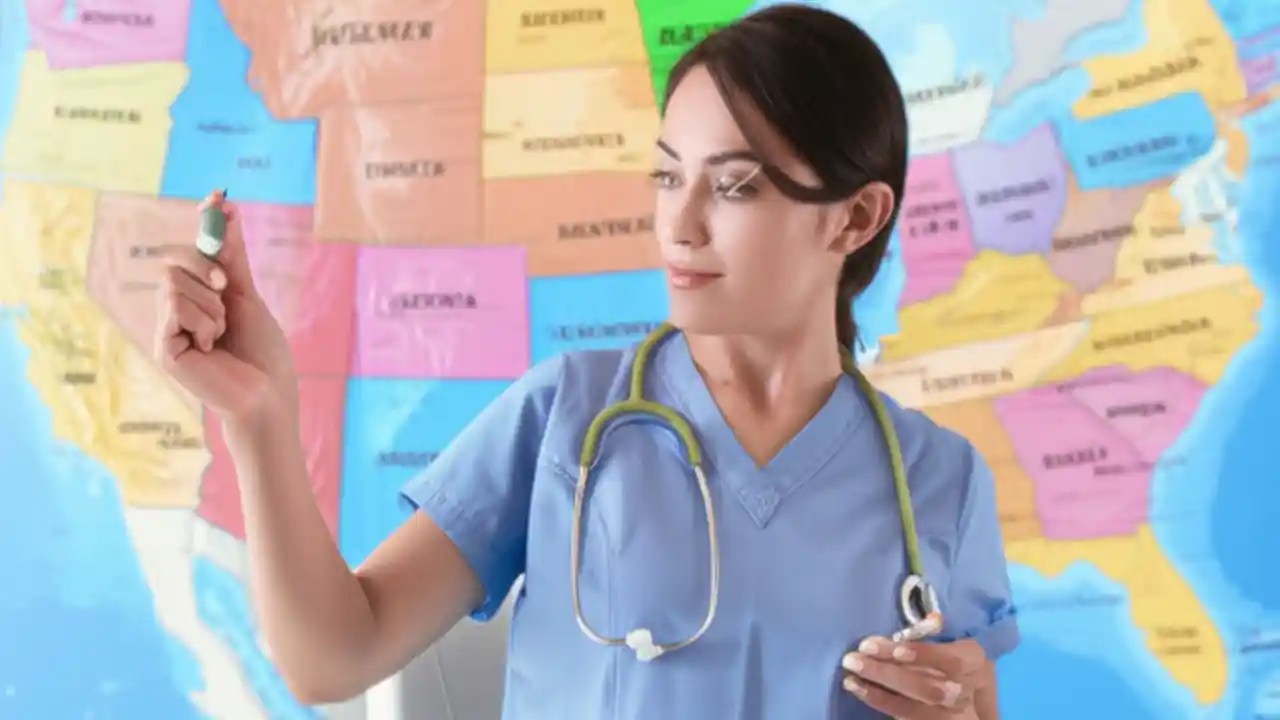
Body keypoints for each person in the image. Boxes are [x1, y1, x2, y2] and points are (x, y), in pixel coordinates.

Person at [154, 3, 1020, 718]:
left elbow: (966, 698)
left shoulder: (940, 483)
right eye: (666, 176)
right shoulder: (566, 418)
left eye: (734, 185)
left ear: (855, 219)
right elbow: (332, 658)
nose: (680, 224)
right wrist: (258, 419)